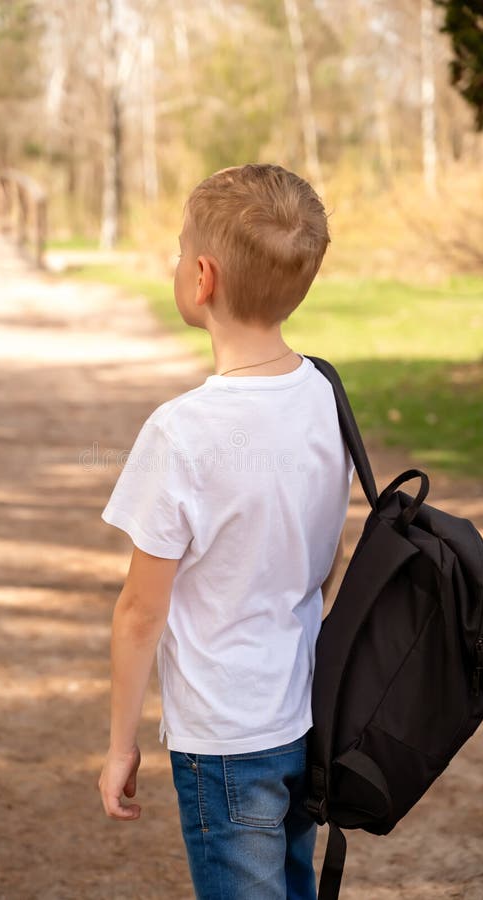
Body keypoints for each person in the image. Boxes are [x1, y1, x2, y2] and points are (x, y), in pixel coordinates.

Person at [97, 163, 355, 899]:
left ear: (202, 277)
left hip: (223, 737)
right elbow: (325, 556)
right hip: (306, 714)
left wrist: (121, 745)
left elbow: (140, 612)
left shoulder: (181, 432)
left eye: (180, 250)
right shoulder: (324, 395)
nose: (176, 264)